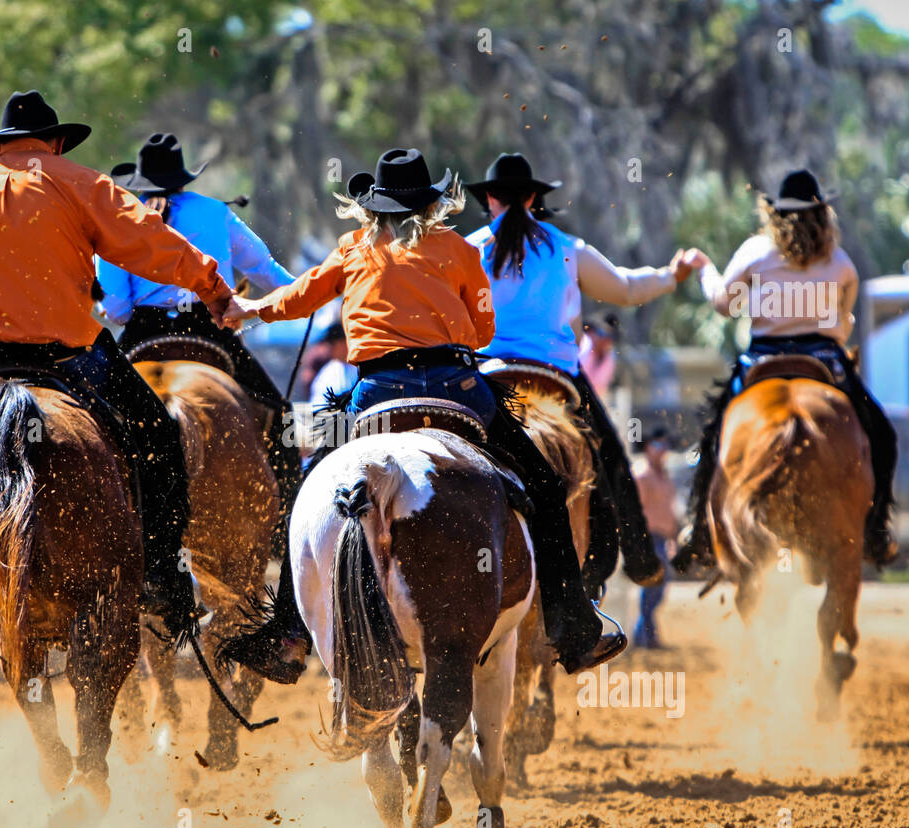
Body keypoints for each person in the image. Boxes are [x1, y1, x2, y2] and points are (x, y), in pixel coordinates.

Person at [221, 147, 623, 676]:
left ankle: (291, 634)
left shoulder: (353, 248)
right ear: (431, 205)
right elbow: (482, 331)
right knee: (546, 489)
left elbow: (299, 297)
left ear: (372, 208)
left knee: (312, 480)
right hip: (457, 388)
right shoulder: (458, 248)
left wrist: (248, 309)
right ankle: (573, 626)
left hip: (377, 394)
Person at [0, 90, 239, 656]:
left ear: (1, 143)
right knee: (157, 437)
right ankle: (160, 572)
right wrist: (211, 286)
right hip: (66, 354)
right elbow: (147, 243)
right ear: (55, 142)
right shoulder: (82, 183)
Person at [464, 152, 696, 589]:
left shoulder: (467, 250)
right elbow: (626, 289)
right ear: (533, 197)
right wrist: (671, 275)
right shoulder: (567, 250)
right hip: (556, 378)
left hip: (486, 378)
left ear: (491, 199)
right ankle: (641, 558)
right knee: (611, 460)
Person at [673, 168, 898, 572]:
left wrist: (705, 268)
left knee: (711, 441)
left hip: (762, 361)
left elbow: (724, 305)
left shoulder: (755, 251)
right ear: (821, 213)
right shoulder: (842, 264)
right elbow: (843, 323)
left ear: (774, 214)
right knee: (881, 435)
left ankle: (697, 530)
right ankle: (878, 530)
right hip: (825, 360)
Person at [98, 133, 302, 522]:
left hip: (146, 331)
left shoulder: (120, 221)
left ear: (140, 183)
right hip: (209, 328)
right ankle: (286, 528)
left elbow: (119, 308)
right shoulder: (215, 212)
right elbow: (264, 270)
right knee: (282, 416)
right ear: (183, 179)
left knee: (92, 414)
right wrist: (307, 293)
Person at [633, 427, 679, 649]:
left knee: (657, 588)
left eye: (665, 446)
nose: (662, 451)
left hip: (662, 537)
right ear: (647, 448)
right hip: (650, 538)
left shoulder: (663, 475)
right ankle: (644, 635)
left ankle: (645, 634)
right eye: (657, 446)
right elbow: (636, 511)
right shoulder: (643, 476)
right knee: (654, 586)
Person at [307, 321, 357, 407]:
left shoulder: (362, 367)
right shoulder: (327, 373)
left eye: (333, 343)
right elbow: (318, 407)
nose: (330, 347)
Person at [579, 315, 619, 396]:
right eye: (600, 333)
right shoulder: (583, 347)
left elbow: (600, 387)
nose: (604, 340)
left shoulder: (608, 358)